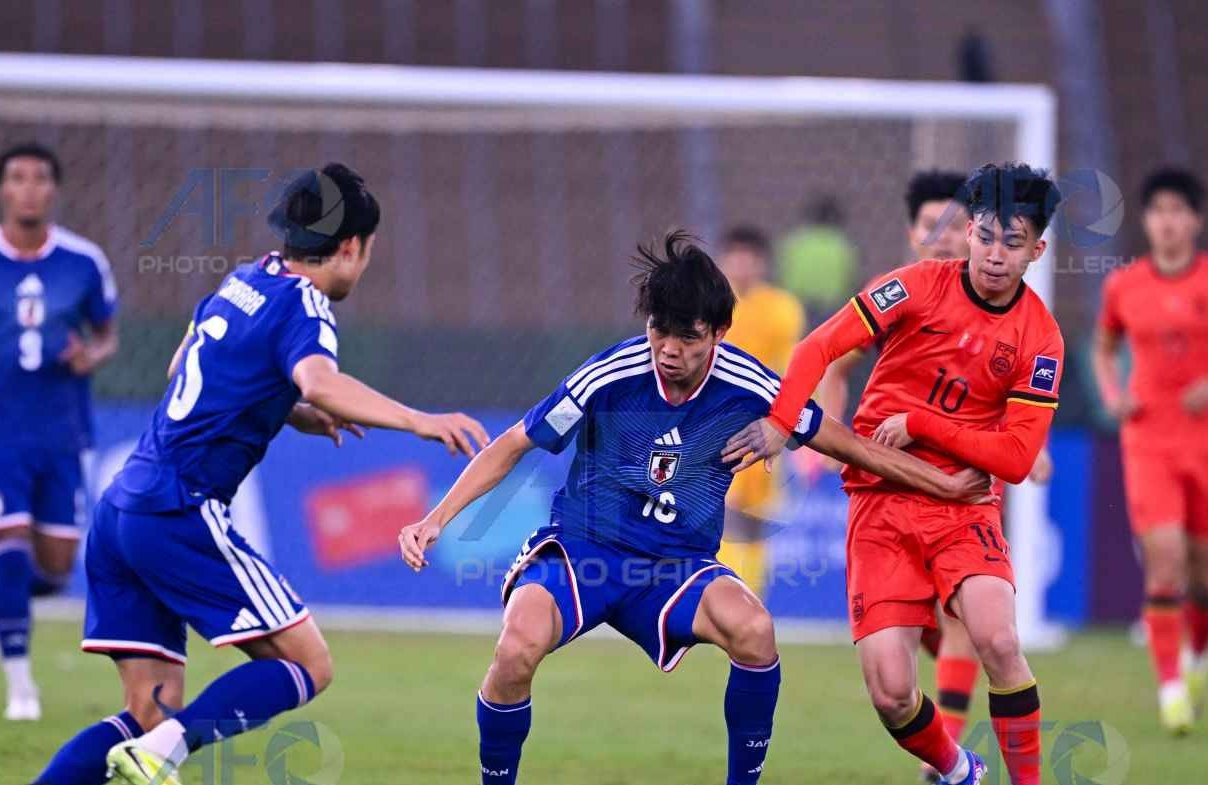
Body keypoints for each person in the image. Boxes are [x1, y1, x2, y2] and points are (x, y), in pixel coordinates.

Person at [397, 231, 991, 785]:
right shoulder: (610, 374)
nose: (669, 350)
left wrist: (944, 486)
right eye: (660, 331)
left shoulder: (752, 386)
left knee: (756, 631)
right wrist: (435, 520)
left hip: (675, 565)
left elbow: (849, 444)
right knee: (515, 645)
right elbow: (514, 445)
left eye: (688, 337)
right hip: (586, 551)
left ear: (719, 333)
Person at [29, 164, 490, 785]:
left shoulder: (245, 278)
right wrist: (416, 420)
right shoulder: (305, 301)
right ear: (352, 246)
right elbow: (321, 379)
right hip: (178, 508)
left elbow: (181, 367)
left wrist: (290, 413)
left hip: (122, 506)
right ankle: (167, 751)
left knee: (146, 714)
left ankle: (147, 748)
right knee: (307, 665)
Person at [725, 163, 1065, 785]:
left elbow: (1015, 459)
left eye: (1011, 243)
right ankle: (959, 768)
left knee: (998, 639)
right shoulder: (913, 287)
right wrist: (779, 423)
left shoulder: (1040, 338)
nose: (994, 254)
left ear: (1036, 249)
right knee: (891, 692)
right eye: (984, 236)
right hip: (880, 504)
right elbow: (819, 347)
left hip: (963, 505)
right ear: (968, 234)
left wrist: (923, 424)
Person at [0, 142, 119, 721]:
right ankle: (20, 687)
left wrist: (93, 355)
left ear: (53, 189)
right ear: (1, 190)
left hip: (63, 432)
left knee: (56, 568)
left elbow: (108, 333)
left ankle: (3, 603)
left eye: (39, 178)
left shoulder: (84, 262)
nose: (28, 187)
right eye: (17, 177)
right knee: (9, 548)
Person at [1092, 167, 1208, 735]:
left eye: (1177, 211)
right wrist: (1112, 395)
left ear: (1195, 220)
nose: (1167, 222)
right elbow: (1102, 347)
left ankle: (1198, 660)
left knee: (1204, 575)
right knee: (1163, 563)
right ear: (1145, 220)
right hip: (1147, 438)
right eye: (1157, 211)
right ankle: (1170, 690)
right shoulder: (1123, 286)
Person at [715, 225, 806, 596]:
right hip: (714, 424)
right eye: (735, 257)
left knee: (755, 519)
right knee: (721, 512)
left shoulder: (783, 308)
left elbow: (791, 367)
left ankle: (749, 598)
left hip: (764, 423)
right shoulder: (712, 303)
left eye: (750, 258)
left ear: (763, 263)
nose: (742, 265)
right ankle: (718, 595)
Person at [777, 194, 860, 320]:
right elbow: (850, 278)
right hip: (830, 305)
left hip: (798, 303)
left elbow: (783, 274)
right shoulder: (842, 244)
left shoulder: (796, 241)